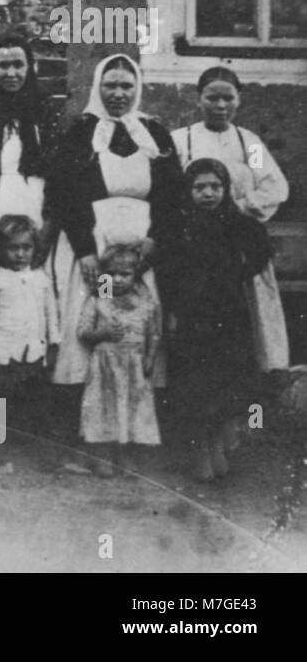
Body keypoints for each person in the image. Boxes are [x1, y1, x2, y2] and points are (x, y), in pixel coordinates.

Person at [43, 54, 183, 472]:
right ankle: (88, 438)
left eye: (126, 86)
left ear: (136, 88)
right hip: (95, 249)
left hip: (139, 254)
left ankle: (130, 437)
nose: (118, 94)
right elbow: (64, 195)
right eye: (110, 86)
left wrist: (154, 242)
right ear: (98, 88)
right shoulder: (81, 134)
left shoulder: (154, 134)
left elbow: (172, 195)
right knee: (96, 325)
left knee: (133, 332)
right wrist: (86, 248)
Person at [170, 66, 290, 373]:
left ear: (239, 100)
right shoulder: (182, 140)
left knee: (244, 317)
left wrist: (240, 207)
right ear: (199, 99)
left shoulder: (248, 143)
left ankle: (255, 380)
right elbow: (168, 188)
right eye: (213, 98)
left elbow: (273, 185)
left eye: (228, 98)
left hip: (238, 243)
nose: (221, 106)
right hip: (194, 242)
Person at [157, 159, 272, 481]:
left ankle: (220, 445)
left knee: (226, 378)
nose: (208, 193)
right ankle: (202, 450)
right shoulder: (178, 226)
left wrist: (238, 274)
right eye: (200, 187)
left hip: (228, 314)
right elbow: (166, 270)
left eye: (215, 187)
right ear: (188, 190)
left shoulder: (237, 222)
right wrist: (174, 309)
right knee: (196, 382)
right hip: (192, 316)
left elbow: (261, 251)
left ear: (225, 189)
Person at [0, 215, 59, 473]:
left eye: (26, 247)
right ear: (1, 249)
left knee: (38, 405)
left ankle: (45, 454)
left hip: (33, 351)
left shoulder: (42, 279)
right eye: (14, 248)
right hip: (1, 351)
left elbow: (51, 313)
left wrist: (54, 343)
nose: (21, 254)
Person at [77, 244, 162, 477]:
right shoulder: (100, 299)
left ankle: (125, 455)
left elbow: (153, 332)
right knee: (104, 409)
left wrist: (150, 357)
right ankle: (102, 455)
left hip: (133, 366)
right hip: (105, 366)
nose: (117, 279)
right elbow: (83, 331)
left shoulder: (145, 301)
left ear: (135, 274)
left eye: (125, 274)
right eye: (111, 274)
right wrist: (102, 333)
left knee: (129, 410)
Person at [0, 34, 49, 231]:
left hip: (35, 202)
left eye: (18, 65)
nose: (11, 73)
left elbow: (57, 164)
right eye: (3, 65)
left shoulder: (44, 113)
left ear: (29, 67)